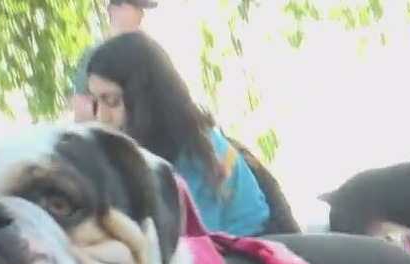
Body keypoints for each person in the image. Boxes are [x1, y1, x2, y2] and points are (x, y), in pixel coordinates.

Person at [86, 32, 271, 236]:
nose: (101, 117)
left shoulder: (199, 154)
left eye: (111, 100)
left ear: (145, 99)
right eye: (96, 101)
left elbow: (191, 249)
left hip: (241, 257)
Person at [69, 0, 154, 122]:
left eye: (141, 10)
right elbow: (80, 107)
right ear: (114, 10)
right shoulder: (95, 54)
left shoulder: (149, 55)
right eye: (135, 7)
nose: (141, 15)